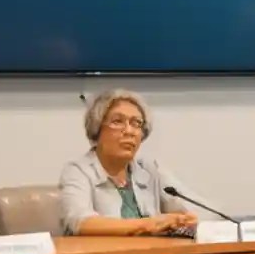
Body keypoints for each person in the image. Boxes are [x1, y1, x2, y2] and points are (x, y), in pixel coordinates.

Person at [59, 89, 209, 236]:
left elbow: (196, 209)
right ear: (97, 128)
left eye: (136, 123)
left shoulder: (150, 169)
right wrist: (147, 224)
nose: (129, 131)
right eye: (117, 121)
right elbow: (79, 222)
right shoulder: (78, 171)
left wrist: (189, 219)